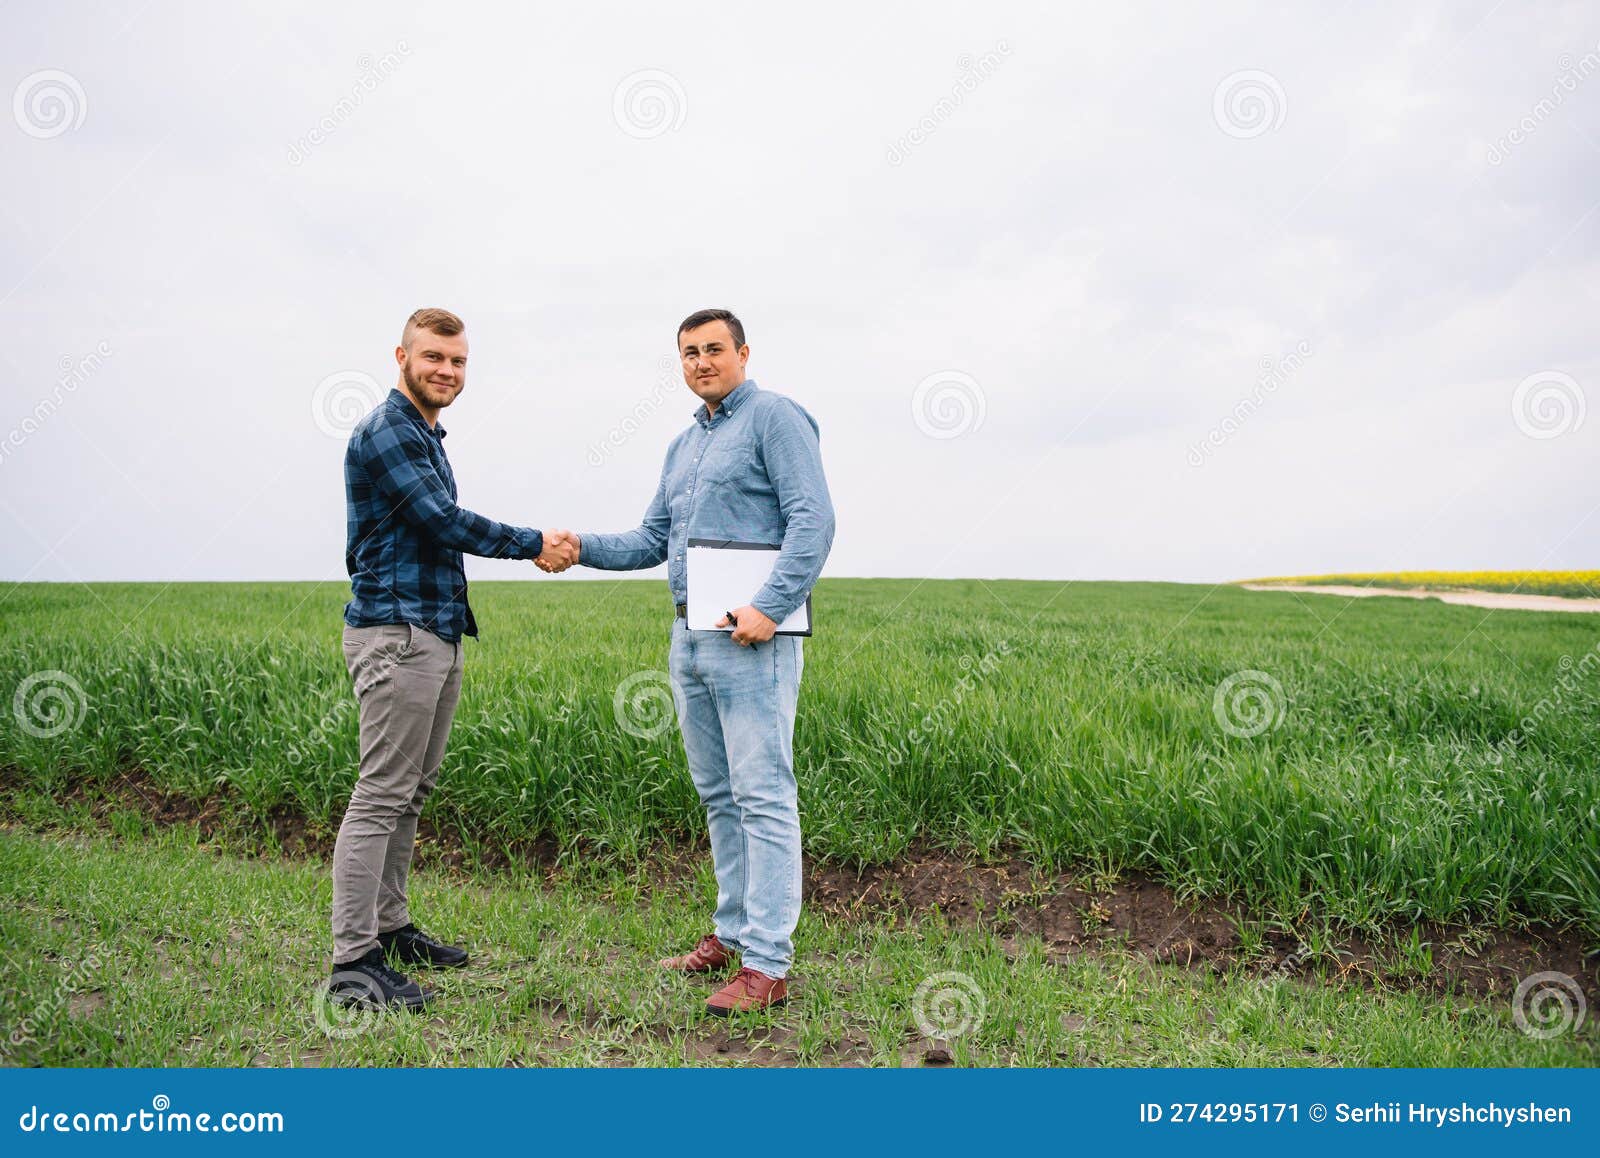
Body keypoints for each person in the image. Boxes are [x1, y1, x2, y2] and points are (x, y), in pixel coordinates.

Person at [542, 308, 834, 1014]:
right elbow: (651, 539)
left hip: (753, 640)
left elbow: (813, 519)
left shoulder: (774, 418)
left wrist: (768, 605)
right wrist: (580, 545)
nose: (701, 362)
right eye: (688, 353)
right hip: (691, 640)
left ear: (742, 352)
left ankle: (767, 965)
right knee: (718, 796)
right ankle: (731, 937)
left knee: (763, 798)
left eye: (713, 349)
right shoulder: (682, 445)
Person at [329, 307, 576, 1012]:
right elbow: (440, 521)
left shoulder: (425, 433)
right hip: (397, 635)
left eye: (458, 361)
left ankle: (392, 926)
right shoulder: (387, 431)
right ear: (401, 355)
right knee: (380, 794)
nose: (447, 370)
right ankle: (354, 962)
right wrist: (533, 541)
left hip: (433, 630)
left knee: (411, 791)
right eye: (434, 356)